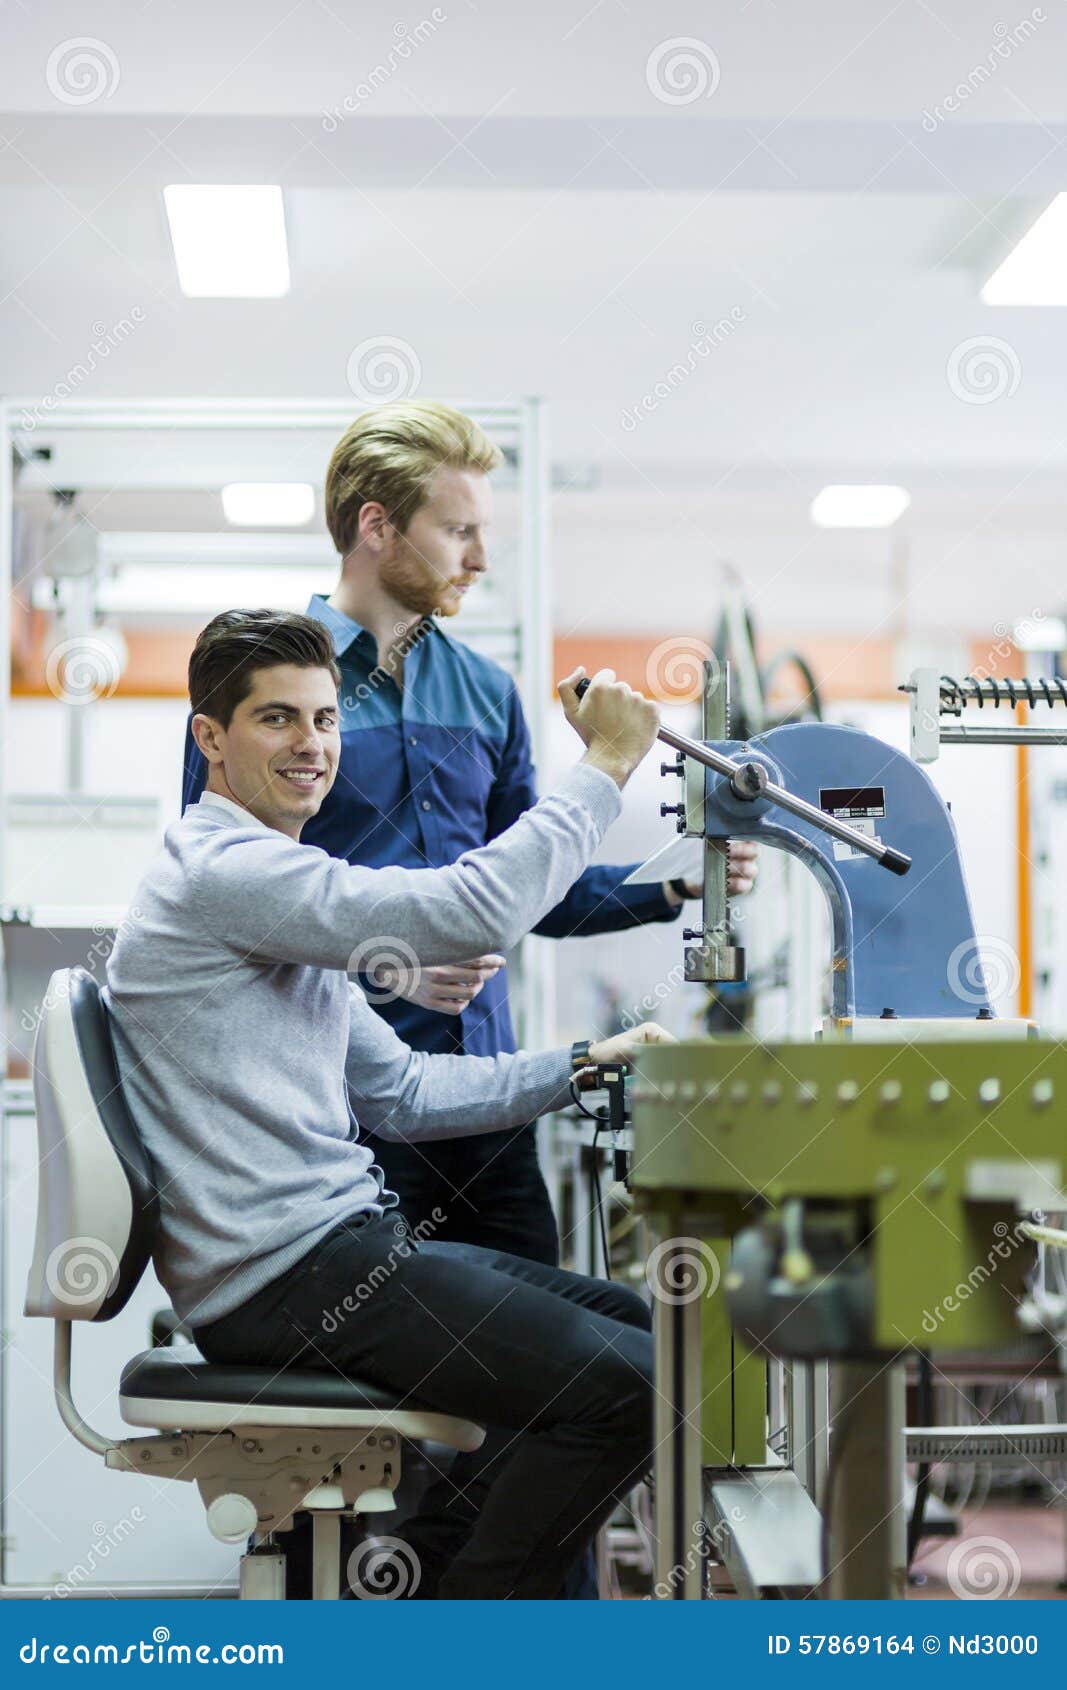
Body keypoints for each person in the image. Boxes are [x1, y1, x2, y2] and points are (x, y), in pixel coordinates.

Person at [107, 609, 671, 1599]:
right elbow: (467, 909)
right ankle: (466, 1636)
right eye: (277, 719)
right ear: (211, 738)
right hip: (287, 1275)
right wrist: (605, 765)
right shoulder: (227, 871)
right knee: (631, 1387)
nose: (311, 746)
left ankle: (429, 1606)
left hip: (332, 1253)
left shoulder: (273, 892)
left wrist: (583, 1066)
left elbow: (404, 1092)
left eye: (325, 720)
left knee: (641, 1331)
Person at [181, 400, 756, 1270]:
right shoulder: (266, 691)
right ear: (376, 526)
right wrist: (382, 962)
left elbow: (534, 885)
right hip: (338, 1101)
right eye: (458, 532)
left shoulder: (486, 692)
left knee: (549, 1368)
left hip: (484, 1094)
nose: (480, 559)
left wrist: (672, 883)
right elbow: (226, 902)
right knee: (380, 1382)